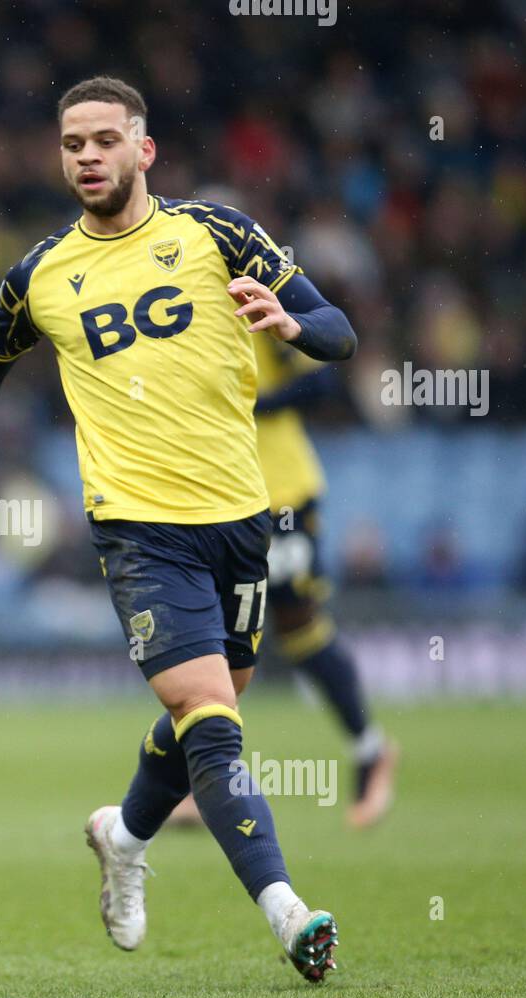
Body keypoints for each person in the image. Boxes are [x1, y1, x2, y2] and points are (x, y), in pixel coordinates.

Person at [0, 76, 356, 982]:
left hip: (240, 520)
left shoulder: (216, 232)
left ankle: (122, 834)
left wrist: (293, 322)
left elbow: (339, 330)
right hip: (138, 533)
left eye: (103, 140)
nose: (86, 156)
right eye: (71, 143)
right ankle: (288, 913)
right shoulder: (39, 275)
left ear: (143, 149)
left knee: (214, 705)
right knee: (209, 721)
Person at [163, 244, 400, 830]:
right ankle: (207, 778)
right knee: (211, 635)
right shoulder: (166, 313)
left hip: (282, 492)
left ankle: (370, 749)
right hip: (216, 495)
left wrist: (251, 404)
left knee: (292, 619)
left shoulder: (249, 298)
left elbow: (322, 384)